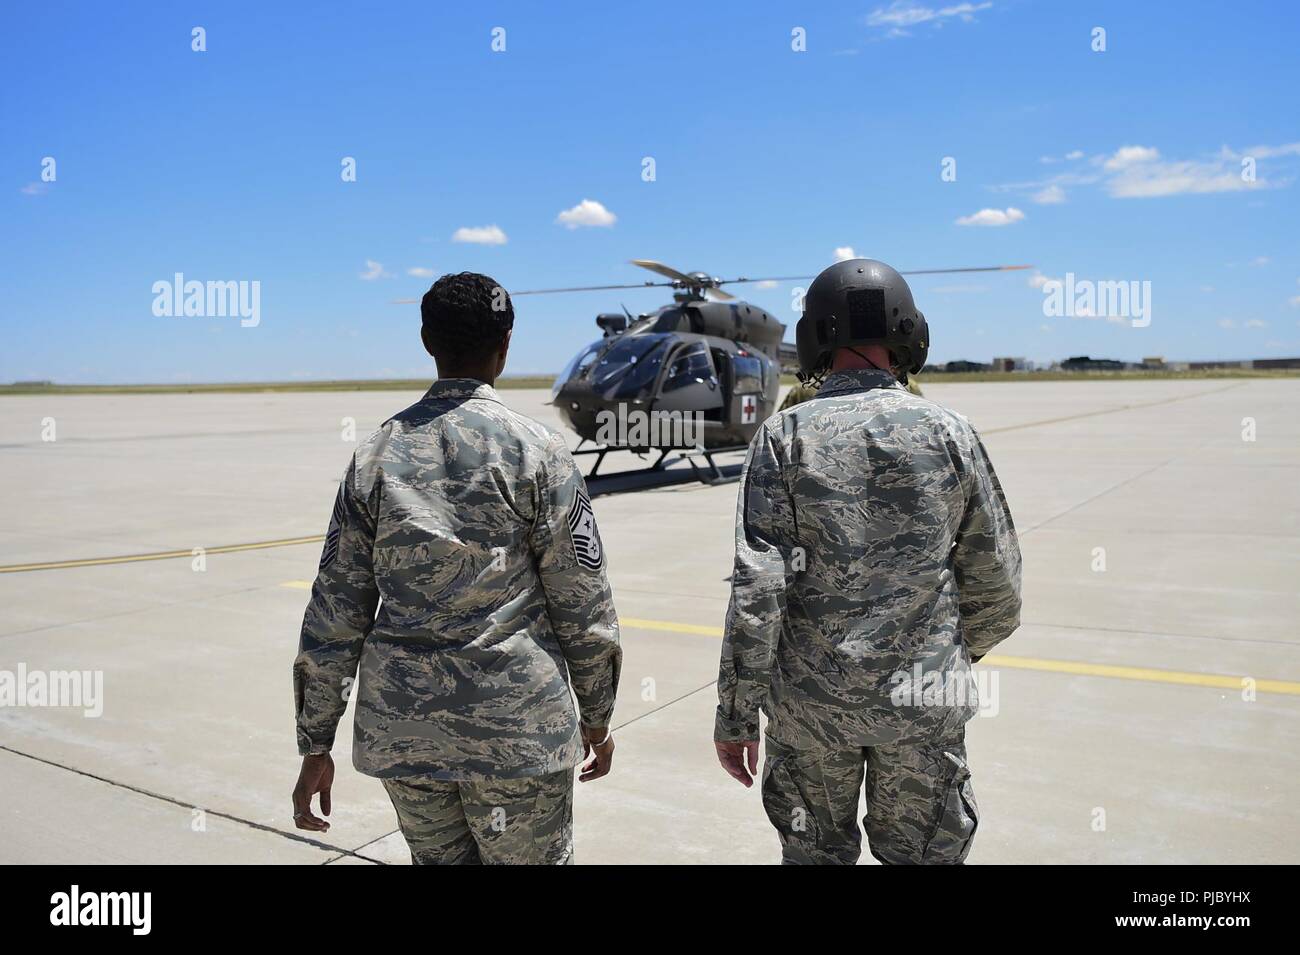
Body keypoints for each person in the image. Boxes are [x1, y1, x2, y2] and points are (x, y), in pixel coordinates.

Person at [291, 272, 621, 864]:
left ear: (426, 341)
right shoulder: (538, 452)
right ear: (507, 342)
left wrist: (316, 741)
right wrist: (596, 714)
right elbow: (582, 600)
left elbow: (335, 613)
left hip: (408, 736)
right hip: (518, 733)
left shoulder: (375, 455)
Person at [714, 258, 1021, 865]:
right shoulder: (950, 433)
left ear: (816, 335)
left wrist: (737, 712)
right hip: (923, 700)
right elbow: (996, 580)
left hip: (810, 709)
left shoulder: (783, 438)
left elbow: (757, 592)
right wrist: (951, 655)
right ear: (908, 330)